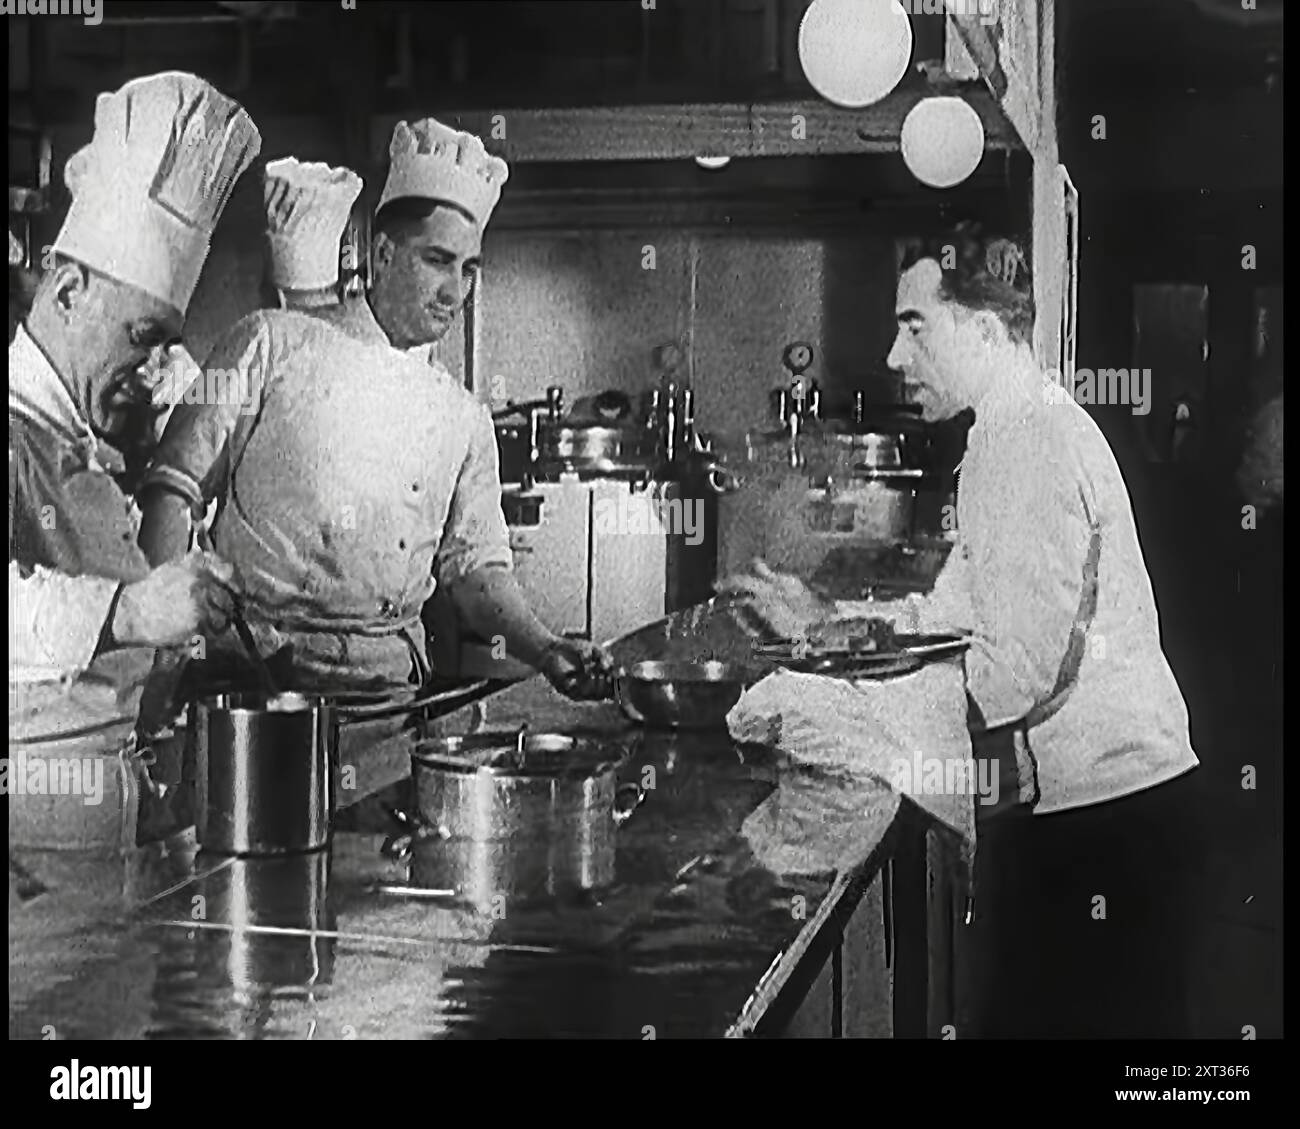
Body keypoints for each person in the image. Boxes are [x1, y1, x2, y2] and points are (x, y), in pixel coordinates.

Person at [721, 225, 1201, 1039]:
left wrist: (849, 700)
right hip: (1078, 815)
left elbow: (1013, 673)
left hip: (1108, 822)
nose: (895, 356)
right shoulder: (997, 438)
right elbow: (947, 617)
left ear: (982, 329)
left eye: (915, 326)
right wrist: (831, 625)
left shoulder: (1036, 441)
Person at [136, 123, 610, 709]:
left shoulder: (461, 417)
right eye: (437, 260)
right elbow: (172, 487)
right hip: (251, 686)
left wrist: (544, 648)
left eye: (468, 269)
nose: (453, 290)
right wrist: (153, 650)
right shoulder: (266, 343)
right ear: (383, 254)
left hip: (386, 698)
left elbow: (477, 569)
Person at [9, 71, 261, 850]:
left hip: (102, 819)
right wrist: (130, 611)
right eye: (144, 335)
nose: (156, 367)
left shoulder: (85, 444)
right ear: (70, 290)